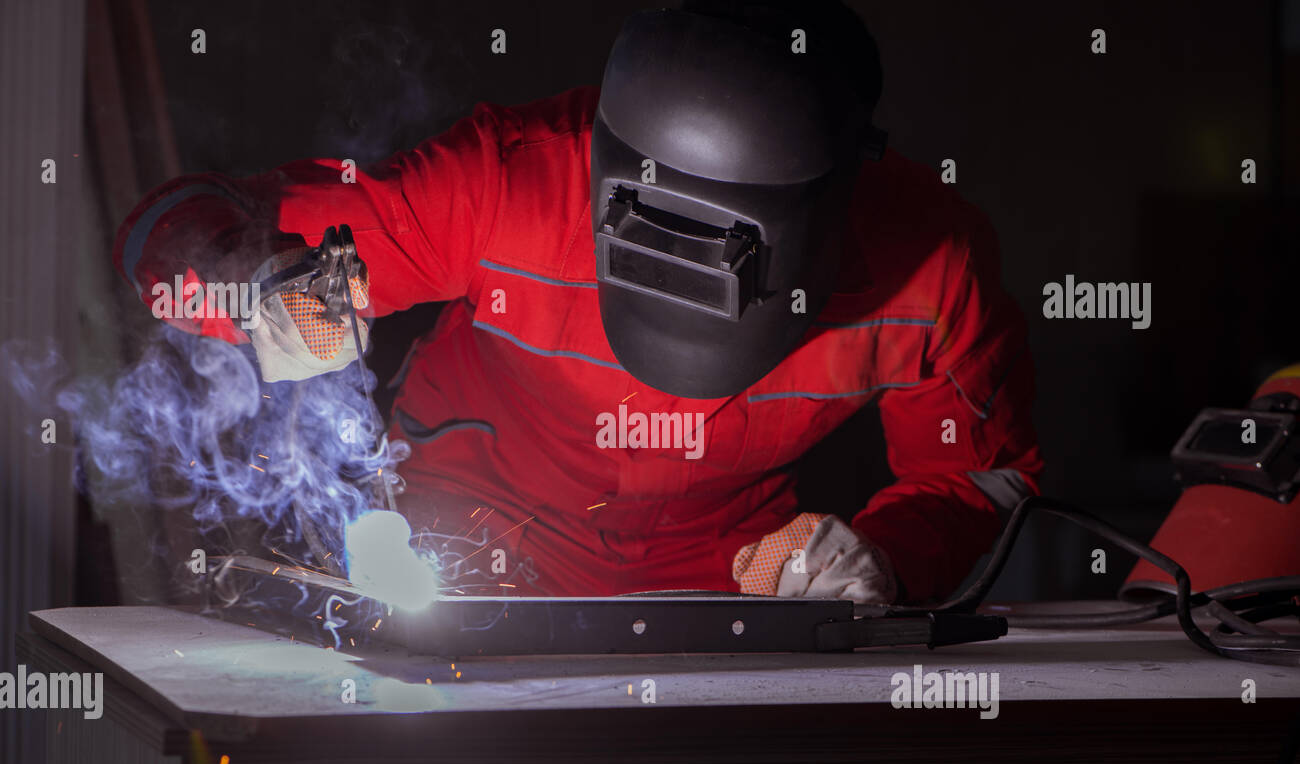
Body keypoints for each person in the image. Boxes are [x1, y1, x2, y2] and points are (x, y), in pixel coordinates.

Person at [113, 0, 1043, 602]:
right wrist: (249, 282)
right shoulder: (504, 182)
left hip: (722, 578)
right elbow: (173, 225)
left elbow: (984, 477)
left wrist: (884, 556)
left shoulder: (931, 263)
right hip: (465, 549)